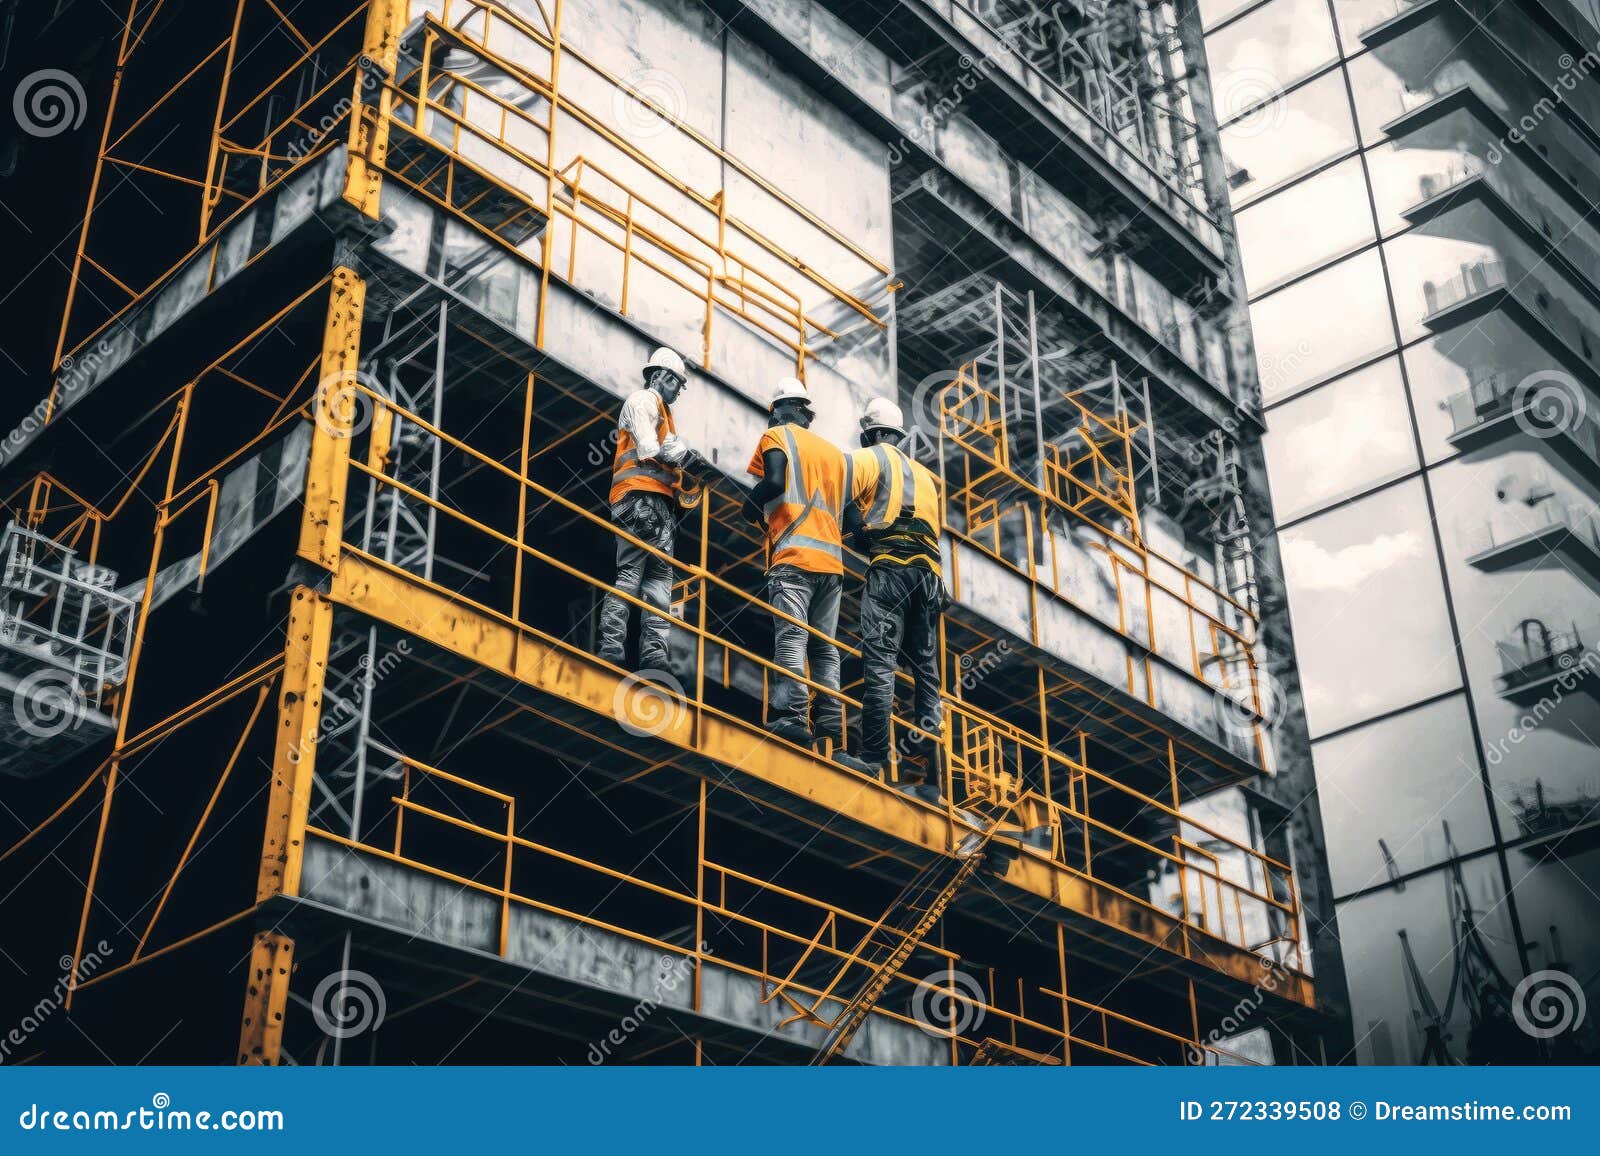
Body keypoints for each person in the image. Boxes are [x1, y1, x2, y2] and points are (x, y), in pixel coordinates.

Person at [832, 397, 946, 779]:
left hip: (891, 571)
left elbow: (842, 491)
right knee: (926, 675)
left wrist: (855, 532)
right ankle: (936, 773)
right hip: (929, 576)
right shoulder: (928, 479)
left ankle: (873, 758)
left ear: (876, 433)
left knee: (880, 665)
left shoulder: (871, 457)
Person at [742, 377, 847, 747]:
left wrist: (749, 505)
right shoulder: (835, 455)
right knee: (824, 646)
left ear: (777, 410)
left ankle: (792, 717)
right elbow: (849, 518)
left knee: (792, 637)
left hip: (793, 558)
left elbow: (773, 480)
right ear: (807, 412)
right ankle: (831, 722)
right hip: (832, 566)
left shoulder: (777, 437)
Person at [597, 347, 703, 672]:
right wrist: (682, 457)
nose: (678, 391)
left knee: (659, 582)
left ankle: (654, 657)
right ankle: (612, 649)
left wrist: (688, 460)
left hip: (659, 508)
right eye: (676, 383)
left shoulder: (663, 413)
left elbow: (669, 448)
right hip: (637, 500)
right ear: (660, 376)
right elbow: (649, 448)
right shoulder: (642, 401)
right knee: (632, 575)